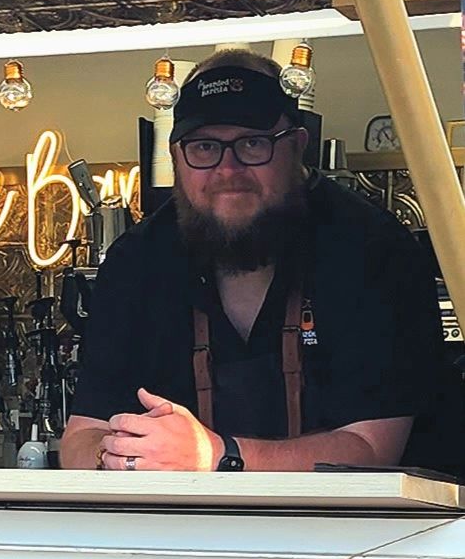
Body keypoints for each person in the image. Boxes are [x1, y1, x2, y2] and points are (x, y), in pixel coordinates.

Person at [61, 51, 450, 474]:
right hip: (178, 535)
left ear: (298, 146)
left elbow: (372, 450)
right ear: (176, 157)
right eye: (204, 147)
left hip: (369, 535)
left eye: (252, 143)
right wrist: (112, 456)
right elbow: (82, 436)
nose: (229, 169)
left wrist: (215, 456)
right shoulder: (136, 261)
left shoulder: (373, 248)